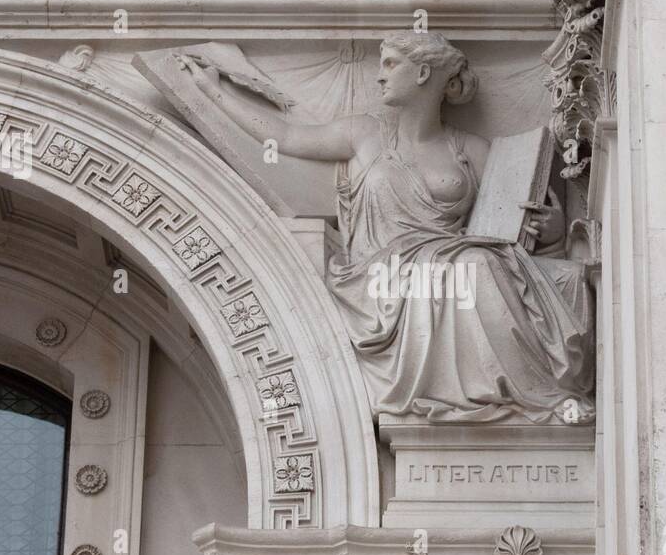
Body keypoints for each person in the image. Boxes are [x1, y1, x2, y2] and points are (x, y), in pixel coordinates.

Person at [187, 31, 594, 424]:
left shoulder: (472, 150)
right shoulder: (363, 133)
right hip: (381, 277)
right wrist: (212, 91)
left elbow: (509, 233)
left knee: (545, 274)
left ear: (422, 74)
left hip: (453, 266)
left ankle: (525, 393)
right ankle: (526, 392)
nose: (380, 74)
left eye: (390, 64)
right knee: (474, 266)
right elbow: (285, 135)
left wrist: (553, 234)